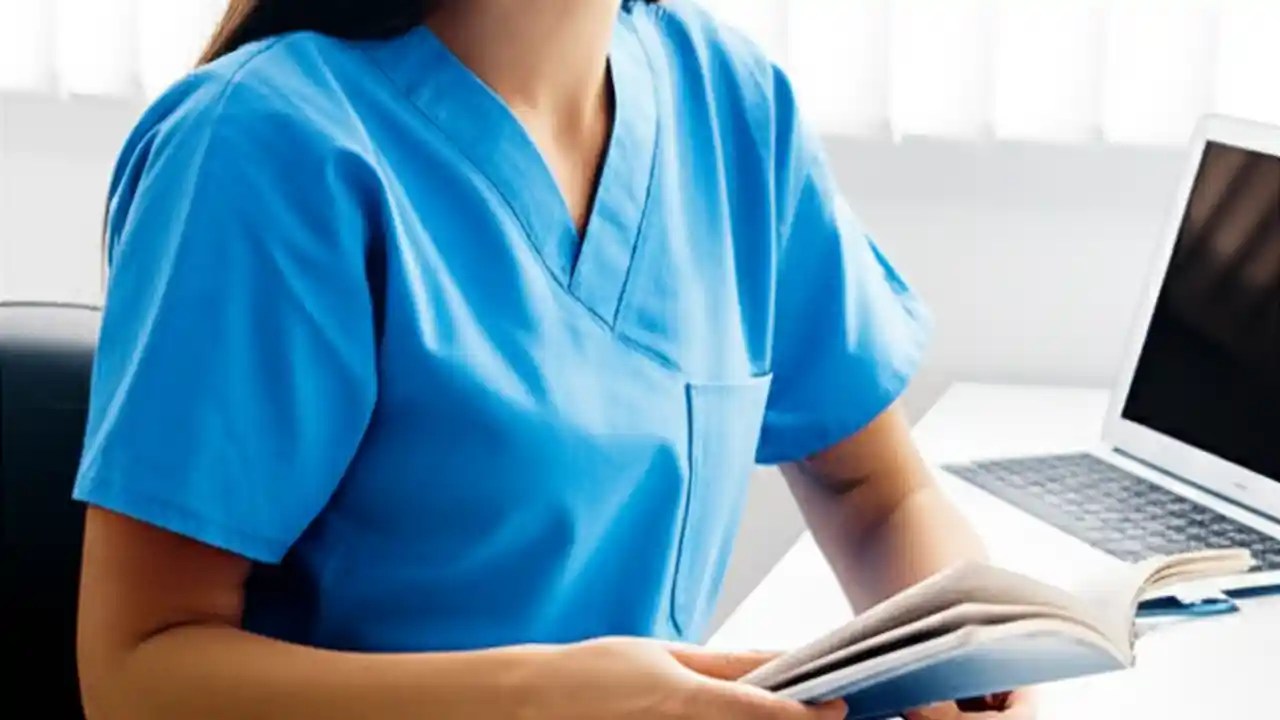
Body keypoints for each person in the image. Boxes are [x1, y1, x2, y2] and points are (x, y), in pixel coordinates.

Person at [72, 1, 1033, 718]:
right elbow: (139, 670)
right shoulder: (262, 150)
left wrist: (963, 649)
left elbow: (874, 490)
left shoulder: (727, 103)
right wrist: (547, 699)